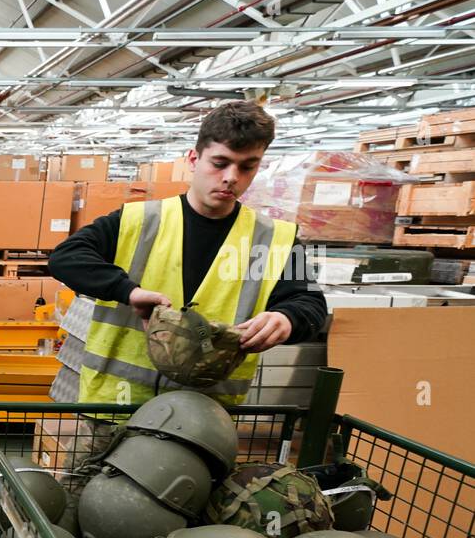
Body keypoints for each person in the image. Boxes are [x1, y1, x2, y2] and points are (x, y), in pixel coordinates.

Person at [48, 100, 327, 408]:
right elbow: (66, 257)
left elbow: (311, 304)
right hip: (116, 407)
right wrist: (128, 291)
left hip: (205, 420)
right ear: (194, 159)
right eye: (219, 163)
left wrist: (286, 318)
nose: (231, 177)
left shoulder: (277, 238)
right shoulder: (140, 221)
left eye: (247, 166)